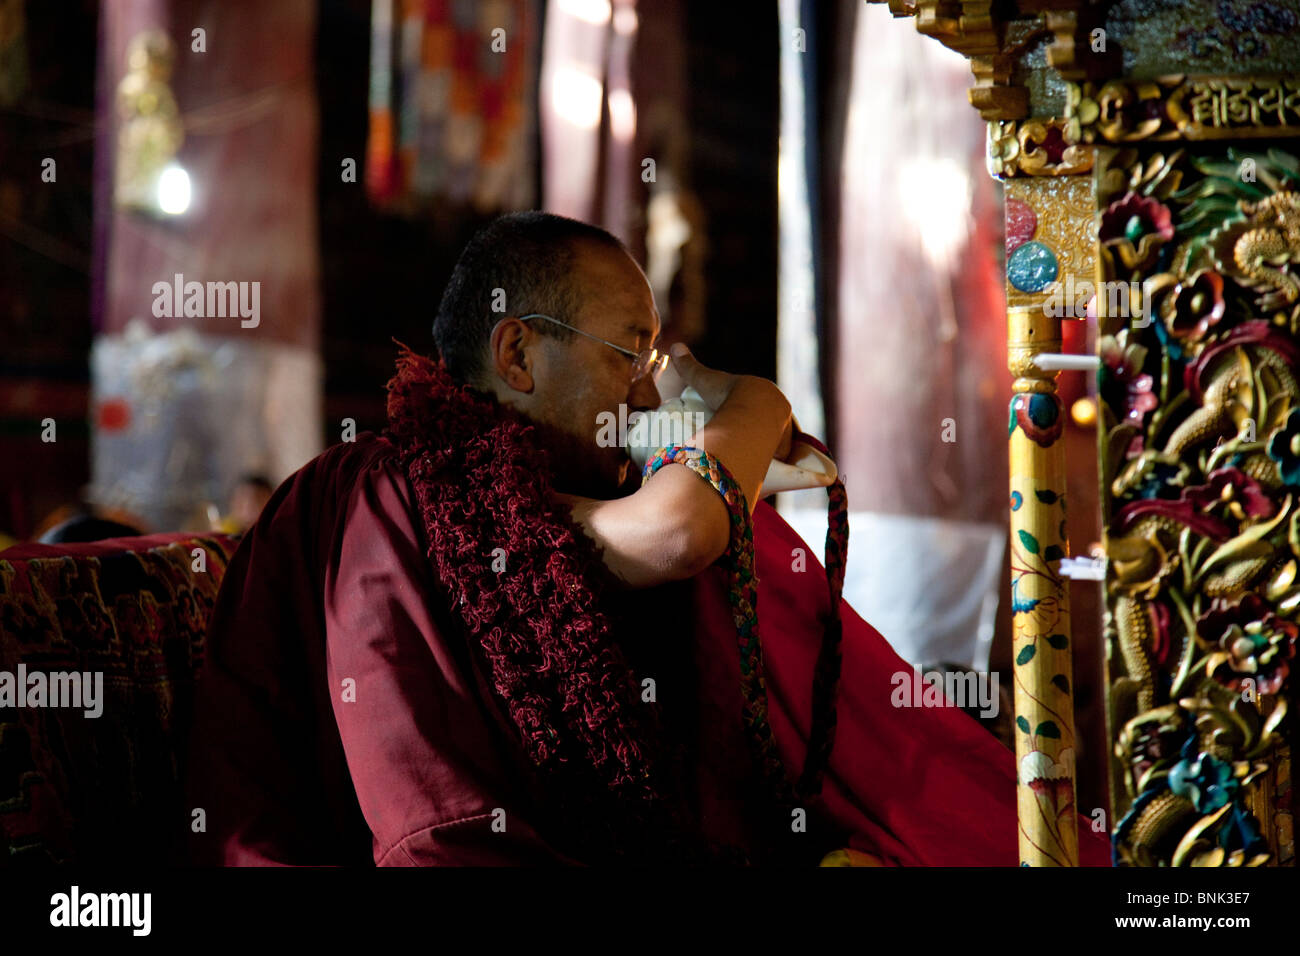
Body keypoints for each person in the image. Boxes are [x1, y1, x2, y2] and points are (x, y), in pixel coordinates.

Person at [185, 211, 1111, 866]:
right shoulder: (379, 494)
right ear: (516, 354)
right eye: (630, 352)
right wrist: (756, 404)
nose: (642, 394)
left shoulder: (566, 504)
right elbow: (438, 825)